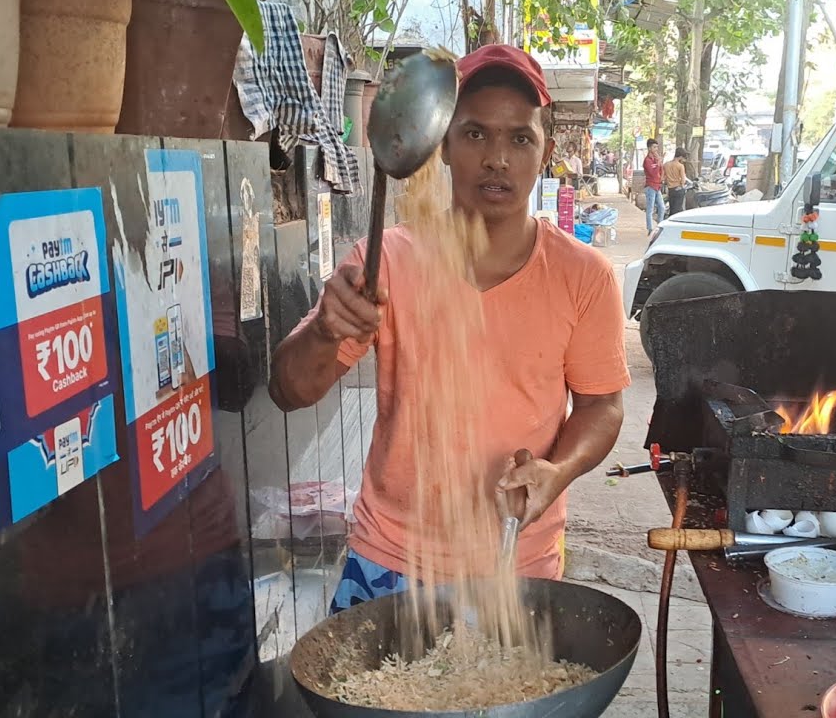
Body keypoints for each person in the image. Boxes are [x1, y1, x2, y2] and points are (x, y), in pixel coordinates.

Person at [268, 44, 629, 611]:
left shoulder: (583, 276)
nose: (497, 159)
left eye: (520, 138)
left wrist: (557, 470)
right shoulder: (384, 263)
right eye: (476, 134)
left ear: (546, 152)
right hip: (389, 557)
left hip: (517, 561)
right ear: (442, 147)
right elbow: (288, 390)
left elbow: (601, 406)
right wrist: (325, 332)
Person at [643, 139, 664, 231]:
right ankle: (650, 228)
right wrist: (658, 163)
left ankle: (660, 226)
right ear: (649, 148)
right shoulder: (647, 160)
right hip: (650, 186)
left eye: (657, 147)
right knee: (650, 209)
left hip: (657, 186)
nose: (656, 149)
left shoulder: (655, 159)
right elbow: (653, 173)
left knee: (662, 207)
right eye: (654, 147)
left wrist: (659, 163)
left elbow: (660, 172)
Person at [664, 147, 688, 216]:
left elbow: (664, 177)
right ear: (680, 156)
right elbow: (683, 180)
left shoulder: (666, 164)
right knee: (678, 210)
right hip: (679, 189)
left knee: (672, 208)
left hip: (670, 189)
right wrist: (683, 185)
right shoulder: (680, 166)